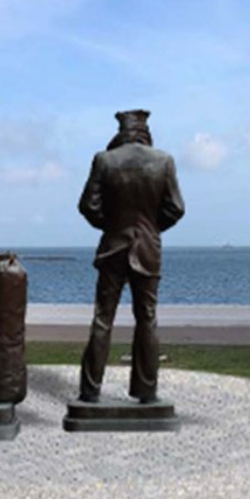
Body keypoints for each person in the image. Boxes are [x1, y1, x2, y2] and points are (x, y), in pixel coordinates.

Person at [76, 109, 185, 403]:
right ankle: (147, 391)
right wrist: (150, 228)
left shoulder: (104, 160)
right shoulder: (163, 161)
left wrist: (111, 225)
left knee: (102, 319)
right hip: (148, 249)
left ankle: (89, 391)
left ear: (121, 130)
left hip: (113, 246)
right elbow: (176, 208)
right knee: (147, 319)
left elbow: (88, 205)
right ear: (144, 130)